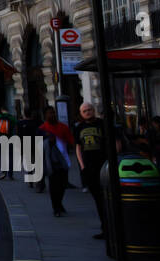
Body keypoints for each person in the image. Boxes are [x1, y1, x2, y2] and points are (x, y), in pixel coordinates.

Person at [75, 102, 109, 240]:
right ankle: (104, 227)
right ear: (81, 114)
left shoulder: (102, 124)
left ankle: (111, 226)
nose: (87, 112)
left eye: (89, 110)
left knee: (108, 197)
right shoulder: (79, 128)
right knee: (98, 199)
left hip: (104, 166)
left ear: (94, 110)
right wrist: (82, 165)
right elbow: (78, 147)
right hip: (90, 168)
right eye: (84, 111)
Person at [38, 106, 75, 217]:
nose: (52, 115)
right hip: (50, 162)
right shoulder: (42, 129)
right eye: (50, 113)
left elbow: (71, 140)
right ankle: (56, 208)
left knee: (63, 184)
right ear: (45, 115)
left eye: (53, 112)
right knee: (54, 186)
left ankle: (59, 203)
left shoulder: (63, 127)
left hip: (63, 160)